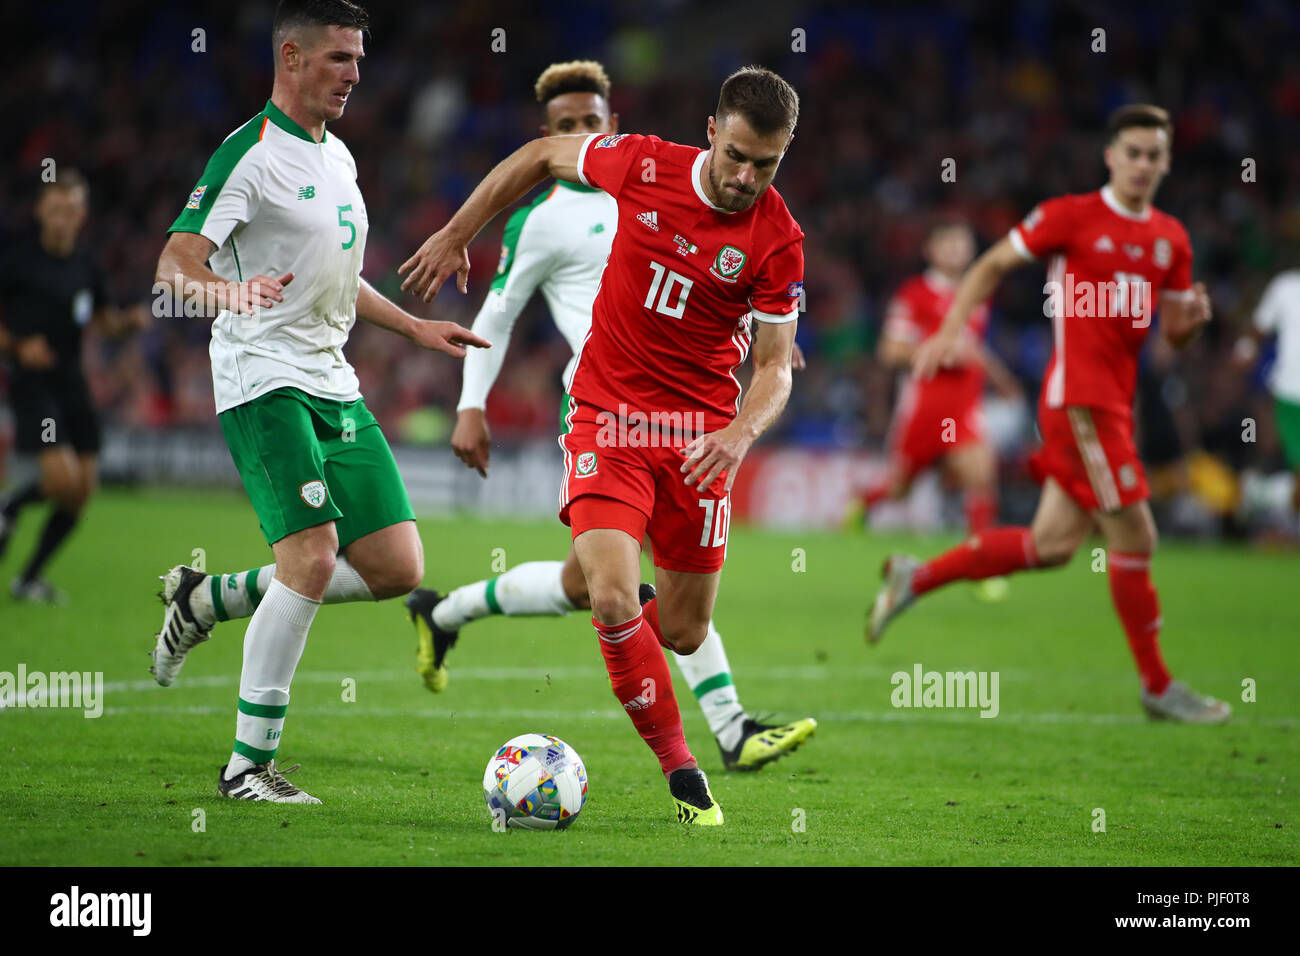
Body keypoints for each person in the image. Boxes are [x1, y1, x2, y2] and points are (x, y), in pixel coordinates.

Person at [401, 66, 805, 823]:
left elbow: (777, 366)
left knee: (681, 631)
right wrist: (458, 233)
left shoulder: (778, 239)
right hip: (607, 418)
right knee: (615, 594)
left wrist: (740, 432)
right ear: (712, 130)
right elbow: (536, 157)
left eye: (768, 164)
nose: (748, 177)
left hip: (697, 440)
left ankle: (452, 613)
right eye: (739, 156)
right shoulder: (641, 163)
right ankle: (687, 775)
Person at [149, 0, 487, 803]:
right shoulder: (249, 154)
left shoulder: (338, 160)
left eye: (359, 58)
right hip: (263, 380)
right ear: (292, 58)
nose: (355, 74)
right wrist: (227, 295)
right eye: (339, 58)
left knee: (398, 566)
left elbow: (337, 277)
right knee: (309, 557)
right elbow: (172, 267)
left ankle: (207, 597)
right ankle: (246, 766)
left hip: (331, 378)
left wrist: (412, 327)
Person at [869, 104, 1230, 724]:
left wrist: (1191, 326)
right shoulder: (1071, 217)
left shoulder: (1171, 239)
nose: (1143, 164)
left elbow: (1172, 334)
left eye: (1154, 155)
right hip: (1078, 403)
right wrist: (945, 332)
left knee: (1053, 544)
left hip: (1114, 403)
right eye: (1133, 152)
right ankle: (1158, 685)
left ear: (1167, 162)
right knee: (1137, 534)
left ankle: (916, 577)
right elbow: (990, 266)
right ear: (1111, 156)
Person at [846, 219, 1022, 600]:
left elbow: (973, 346)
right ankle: (864, 503)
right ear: (932, 250)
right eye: (950, 244)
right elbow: (890, 350)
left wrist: (1001, 378)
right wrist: (938, 350)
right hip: (924, 410)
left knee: (981, 475)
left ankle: (981, 566)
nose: (958, 251)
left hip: (964, 409)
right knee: (900, 488)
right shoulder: (914, 294)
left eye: (963, 244)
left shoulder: (978, 292)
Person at [0, 171, 145, 603]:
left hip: (72, 385)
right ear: (41, 211)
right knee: (62, 479)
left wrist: (128, 323)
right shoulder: (18, 261)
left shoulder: (86, 265)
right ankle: (8, 506)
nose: (63, 218)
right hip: (33, 385)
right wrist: (19, 346)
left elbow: (105, 322)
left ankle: (28, 580)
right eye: (56, 209)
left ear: (82, 215)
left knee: (81, 492)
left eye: (71, 210)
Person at [1236, 267, 1300, 513]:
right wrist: (1244, 350)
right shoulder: (1286, 286)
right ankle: (1259, 493)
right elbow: (1258, 328)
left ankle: (1260, 493)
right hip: (1292, 395)